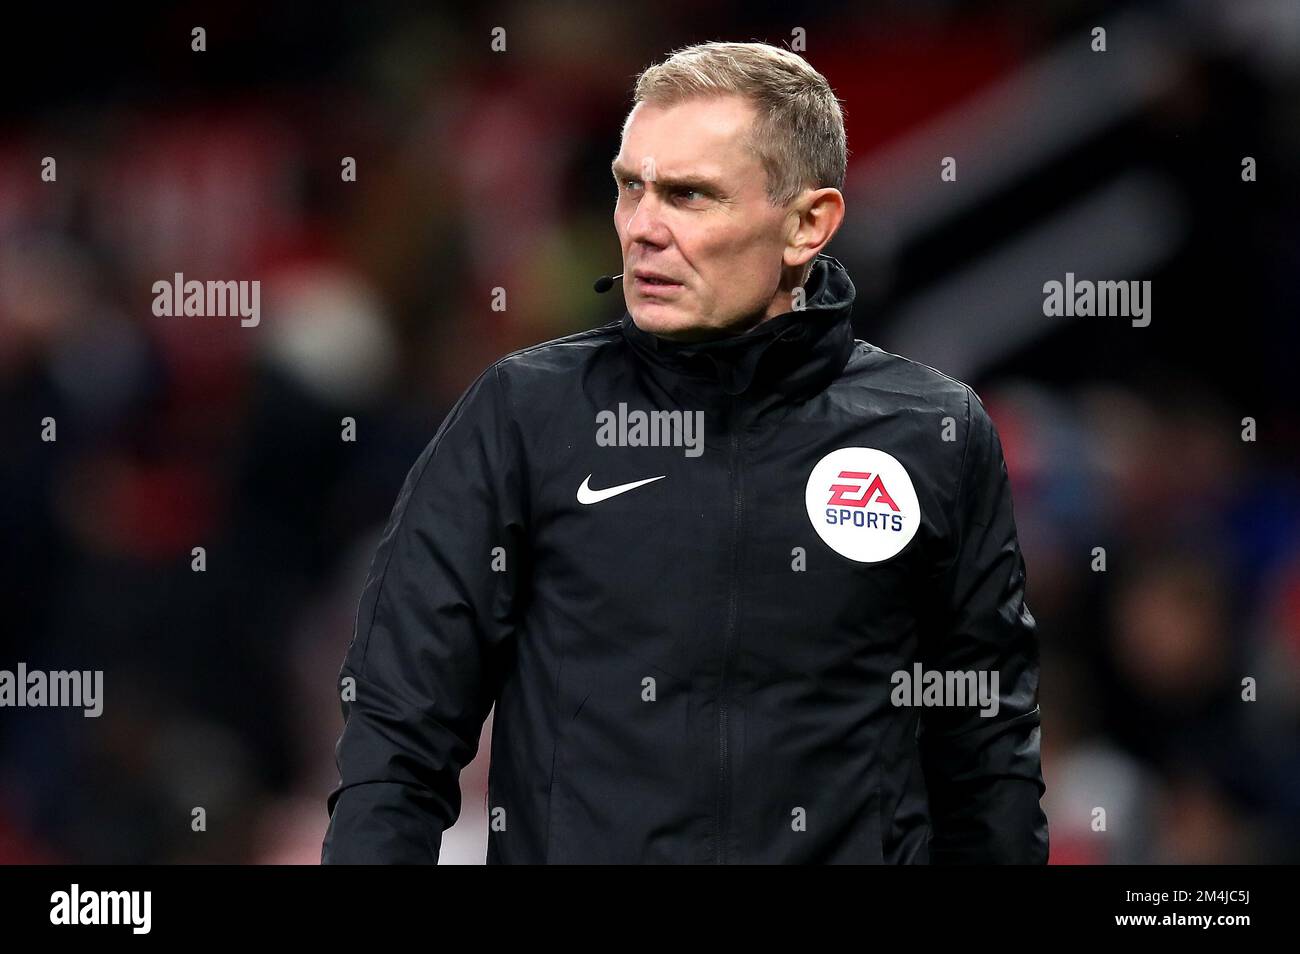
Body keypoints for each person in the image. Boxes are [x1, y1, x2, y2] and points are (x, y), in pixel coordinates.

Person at [322, 40, 1048, 864]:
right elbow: (397, 733)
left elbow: (987, 755)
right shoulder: (524, 417)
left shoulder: (934, 433)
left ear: (808, 223)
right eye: (630, 188)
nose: (641, 229)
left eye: (688, 195)